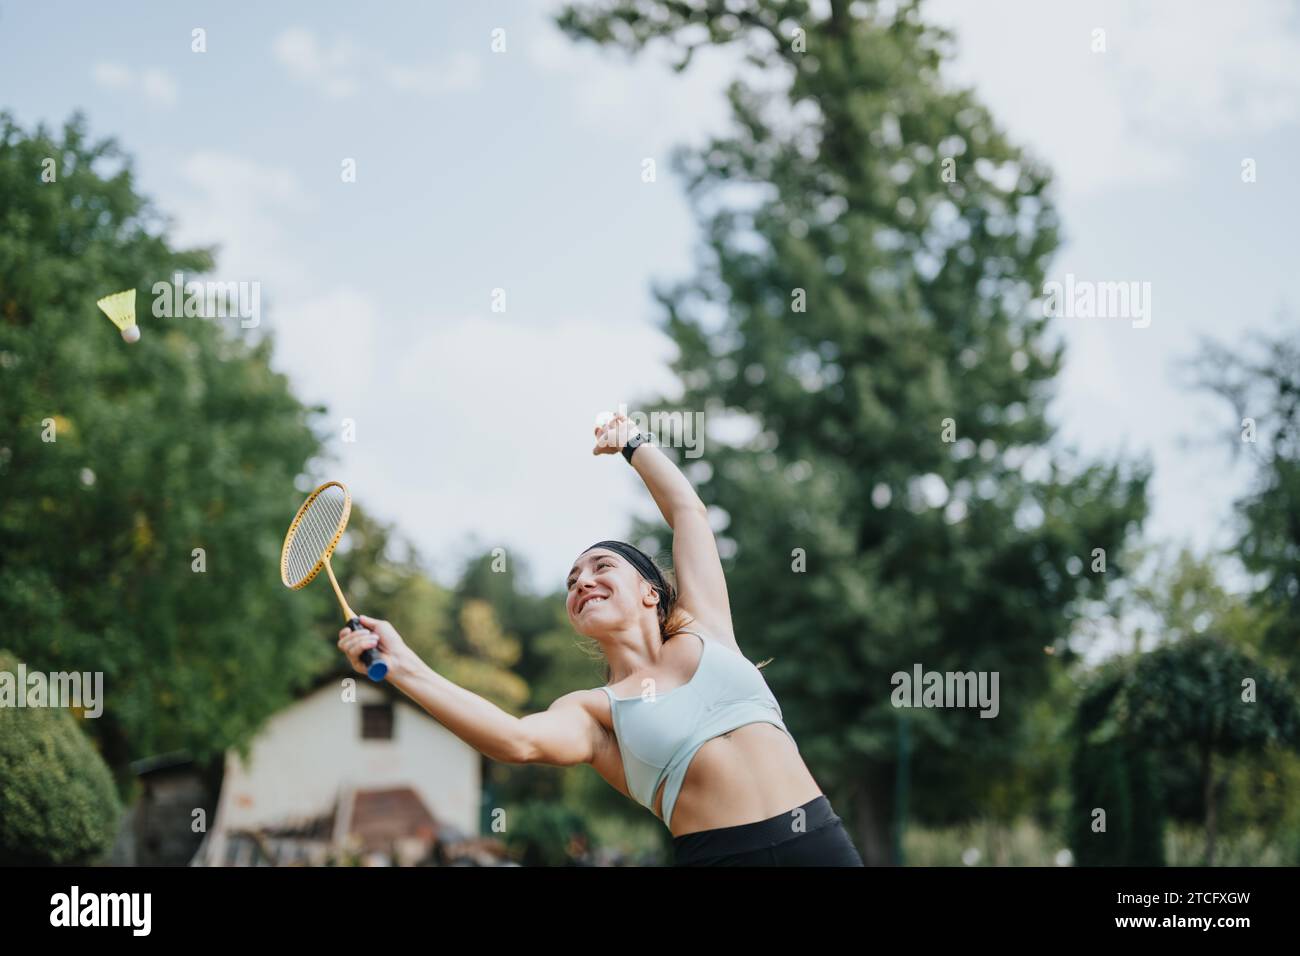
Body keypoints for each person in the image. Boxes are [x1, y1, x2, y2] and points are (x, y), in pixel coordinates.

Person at [338, 413, 864, 866]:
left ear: (651, 592)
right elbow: (514, 740)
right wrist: (405, 666)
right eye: (571, 581)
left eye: (600, 567)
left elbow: (688, 512)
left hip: (818, 841)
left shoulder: (706, 623)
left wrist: (634, 444)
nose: (582, 581)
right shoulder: (595, 714)